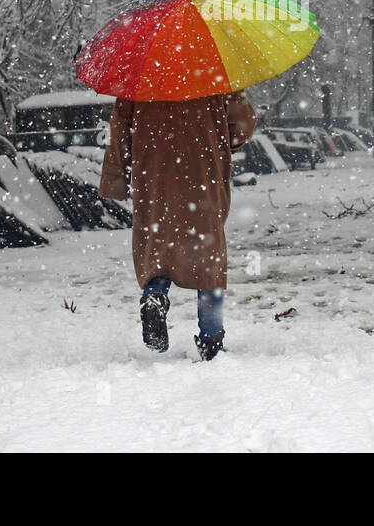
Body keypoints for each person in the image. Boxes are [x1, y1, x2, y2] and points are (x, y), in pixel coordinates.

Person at [98, 91, 258, 360]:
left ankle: (155, 294)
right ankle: (211, 338)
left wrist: (117, 177)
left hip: (152, 169)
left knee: (158, 244)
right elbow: (242, 125)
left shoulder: (140, 76)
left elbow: (119, 130)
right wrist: (220, 136)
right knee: (208, 255)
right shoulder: (214, 71)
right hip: (202, 167)